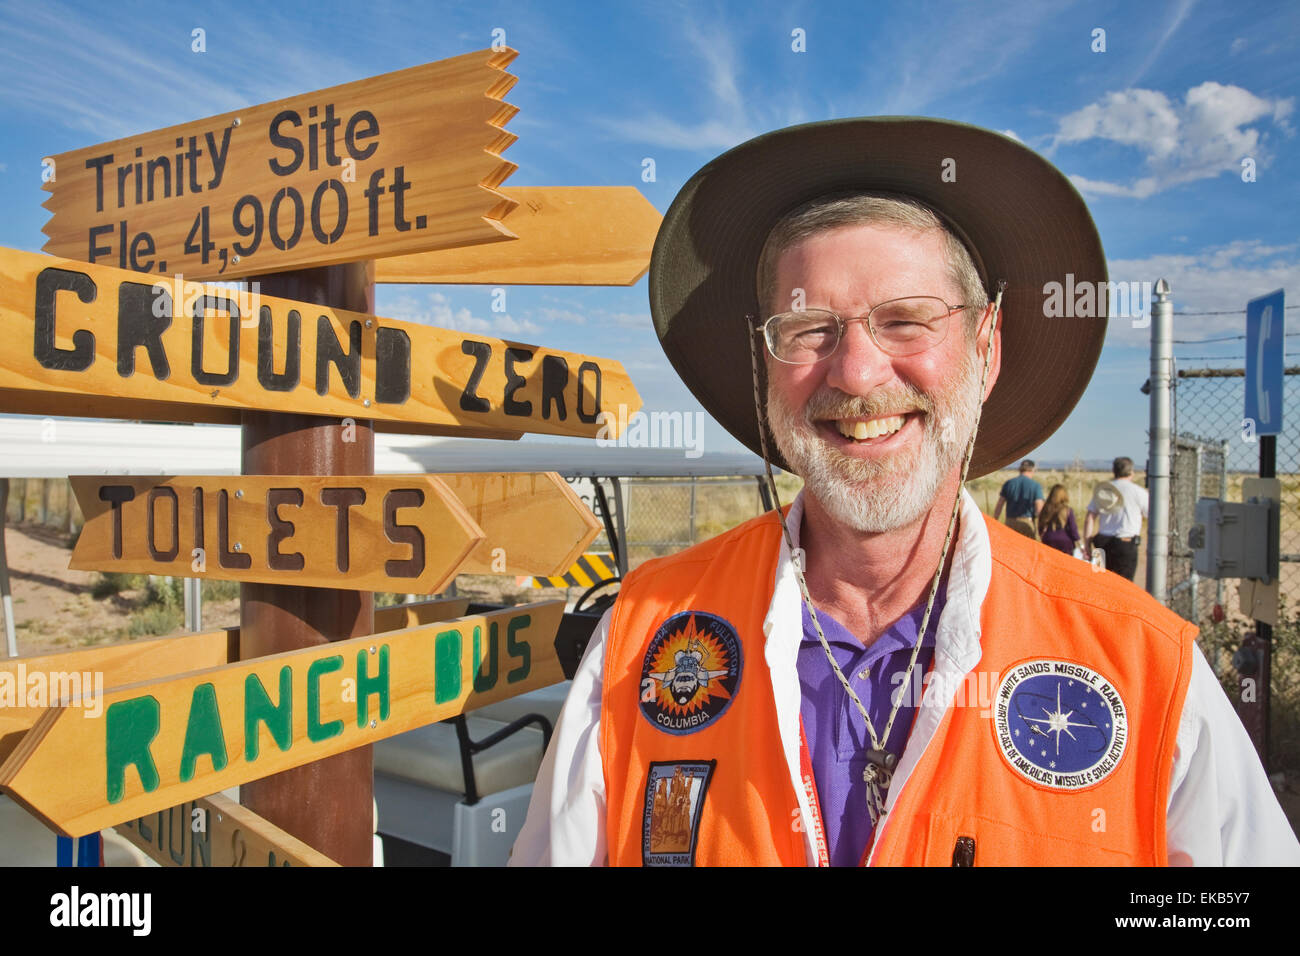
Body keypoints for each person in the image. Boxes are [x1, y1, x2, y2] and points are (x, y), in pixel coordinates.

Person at [511, 117, 1298, 866]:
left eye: (906, 320)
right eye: (808, 327)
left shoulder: (1144, 669)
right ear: (767, 368)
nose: (855, 372)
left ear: (985, 347)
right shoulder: (641, 638)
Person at [1084, 457, 1150, 582]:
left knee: (1098, 582)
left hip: (1101, 543)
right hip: (1125, 543)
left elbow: (1090, 518)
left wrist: (1087, 544)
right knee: (1125, 585)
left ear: (1114, 471)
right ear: (1131, 472)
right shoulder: (1138, 492)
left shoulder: (1104, 491)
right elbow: (1150, 515)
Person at [993, 459, 1044, 538]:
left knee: (1010, 547)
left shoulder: (1009, 483)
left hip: (1010, 523)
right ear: (1032, 469)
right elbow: (1039, 509)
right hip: (1027, 523)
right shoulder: (1035, 486)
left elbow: (1000, 504)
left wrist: (995, 520)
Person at [1037, 484, 1080, 556]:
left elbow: (1040, 525)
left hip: (1048, 538)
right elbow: (1073, 529)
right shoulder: (1067, 510)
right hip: (1065, 541)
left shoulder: (1045, 509)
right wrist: (1079, 542)